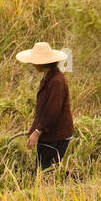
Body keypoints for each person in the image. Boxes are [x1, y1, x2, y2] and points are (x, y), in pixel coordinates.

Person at [16, 41, 73, 171]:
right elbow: (43, 111)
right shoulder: (49, 77)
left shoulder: (56, 81)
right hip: (50, 133)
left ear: (41, 63)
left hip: (57, 134)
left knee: (47, 171)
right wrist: (33, 129)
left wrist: (37, 132)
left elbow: (52, 111)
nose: (32, 64)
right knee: (45, 170)